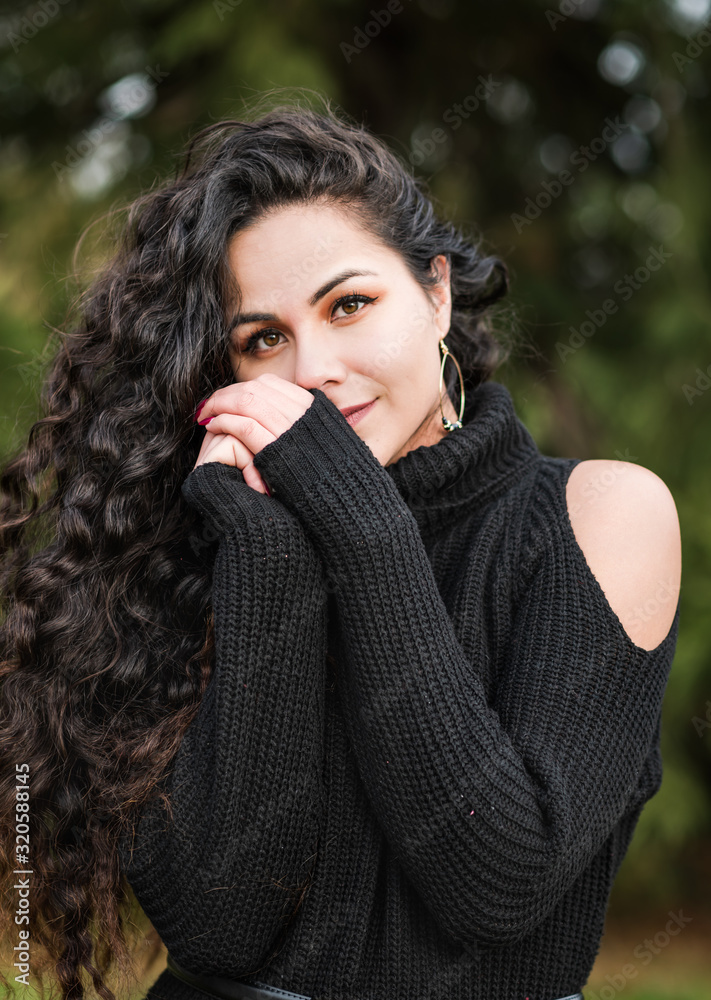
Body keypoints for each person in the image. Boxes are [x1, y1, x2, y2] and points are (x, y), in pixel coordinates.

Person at [0, 94, 681, 1000]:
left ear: (435, 295)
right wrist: (269, 557)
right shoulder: (221, 529)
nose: (311, 369)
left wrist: (360, 526)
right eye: (263, 338)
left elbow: (499, 881)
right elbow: (219, 923)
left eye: (349, 305)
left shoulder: (599, 514)